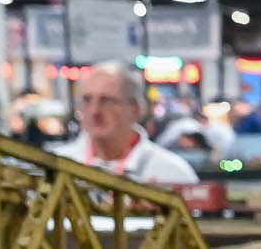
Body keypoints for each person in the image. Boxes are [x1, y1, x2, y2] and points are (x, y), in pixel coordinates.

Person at [54, 63, 200, 186]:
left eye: (106, 101)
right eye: (87, 100)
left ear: (135, 110)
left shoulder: (173, 173)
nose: (94, 111)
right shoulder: (56, 166)